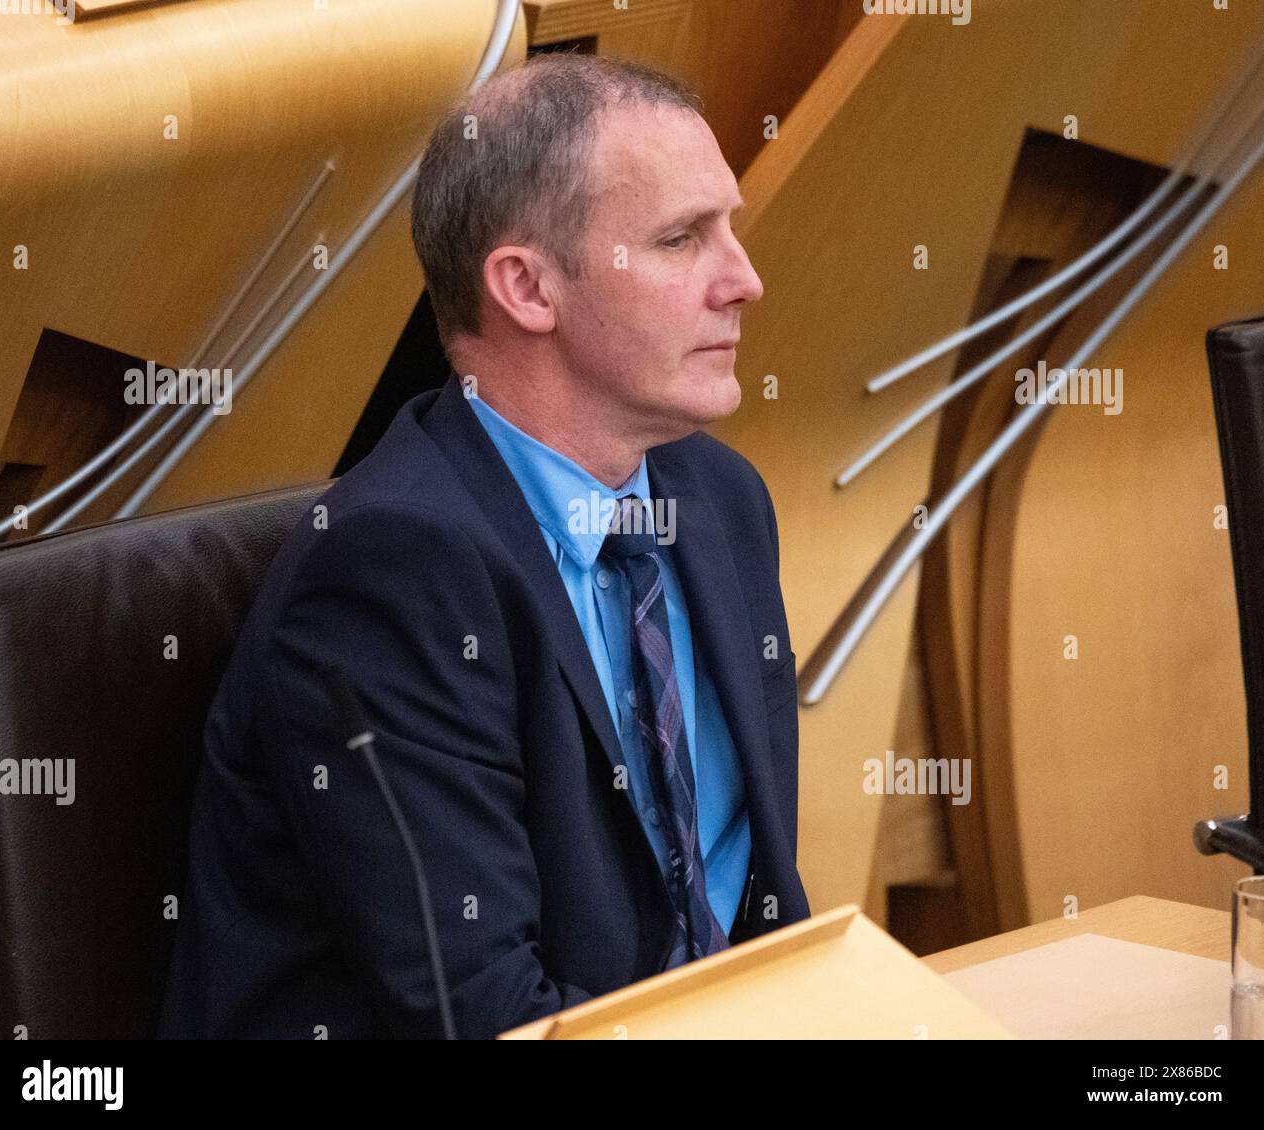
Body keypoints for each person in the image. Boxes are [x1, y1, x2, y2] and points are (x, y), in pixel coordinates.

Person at [160, 52, 809, 1040]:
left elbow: (758, 912)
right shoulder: (390, 570)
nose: (745, 280)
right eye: (681, 239)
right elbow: (477, 1013)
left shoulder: (716, 497)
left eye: (731, 228)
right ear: (526, 287)